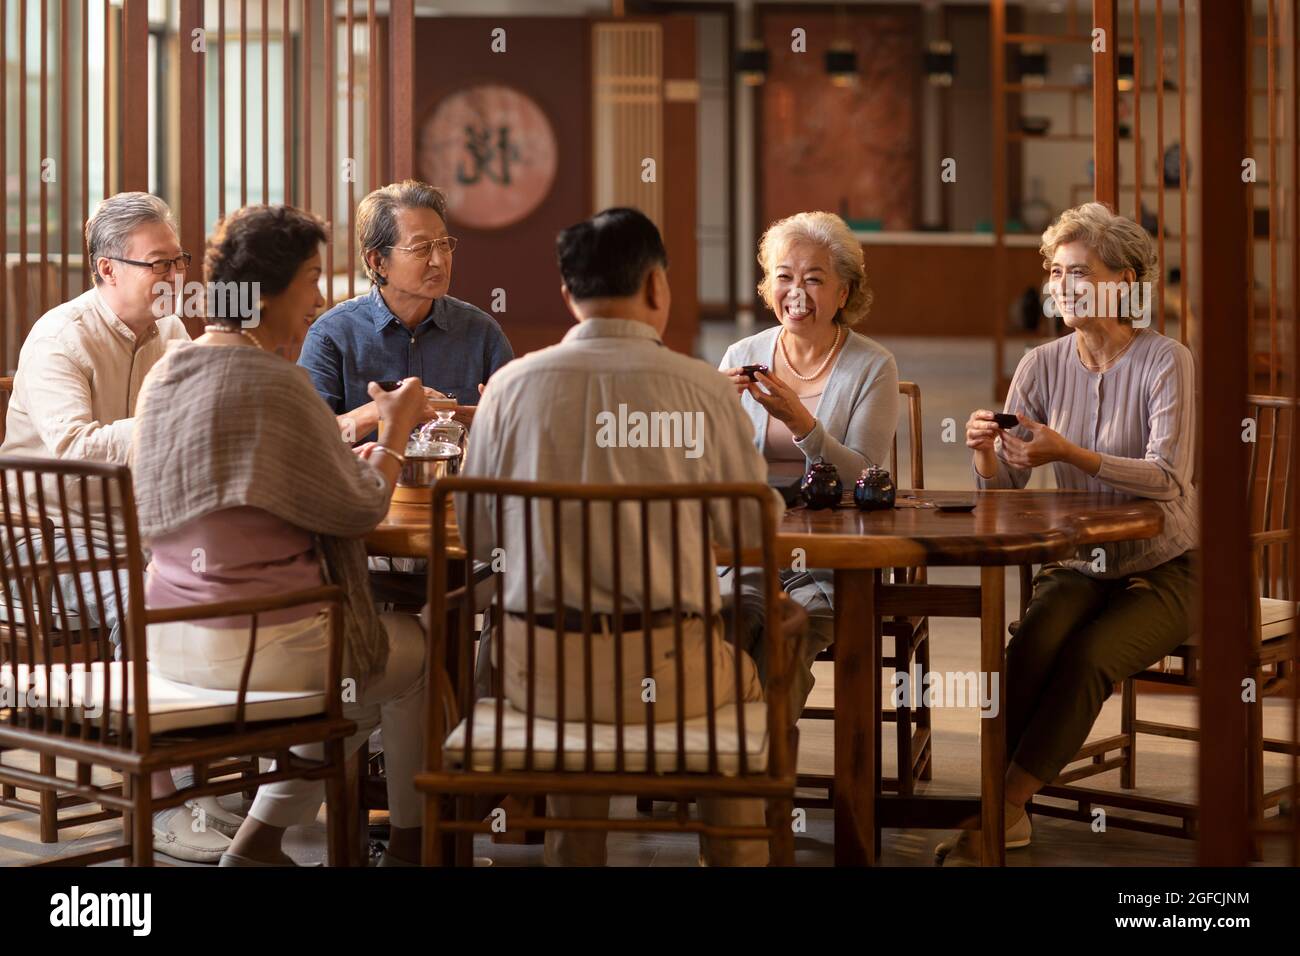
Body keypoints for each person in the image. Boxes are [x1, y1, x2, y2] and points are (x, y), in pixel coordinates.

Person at [458, 207, 804, 866]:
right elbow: (746, 530)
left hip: (537, 676)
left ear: (568, 295)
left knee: (577, 719)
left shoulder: (509, 389)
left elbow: (477, 535)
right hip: (670, 674)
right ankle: (736, 852)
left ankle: (574, 849)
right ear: (656, 287)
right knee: (747, 687)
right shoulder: (700, 389)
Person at [130, 204, 429, 867]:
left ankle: (261, 843)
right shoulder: (279, 382)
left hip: (166, 638)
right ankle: (410, 849)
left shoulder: (165, 375)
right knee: (411, 657)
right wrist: (396, 426)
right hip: (258, 647)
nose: (321, 298)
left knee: (359, 684)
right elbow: (361, 510)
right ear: (268, 292)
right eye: (312, 278)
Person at [947, 202, 1197, 865]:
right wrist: (983, 457)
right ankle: (999, 802)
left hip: (1171, 565)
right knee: (1033, 643)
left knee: (1088, 657)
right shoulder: (1040, 364)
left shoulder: (1166, 360)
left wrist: (1071, 454)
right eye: (1056, 273)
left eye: (1080, 273)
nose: (1062, 287)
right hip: (1081, 561)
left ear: (1126, 281)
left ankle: (1006, 808)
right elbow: (1005, 495)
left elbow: (1168, 479)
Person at [720, 211, 899, 713]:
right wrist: (711, 412)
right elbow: (706, 469)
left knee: (784, 639)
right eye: (784, 277)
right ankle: (724, 764)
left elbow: (864, 476)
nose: (796, 291)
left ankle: (756, 768)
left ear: (844, 293)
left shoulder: (871, 364)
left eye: (814, 279)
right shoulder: (743, 351)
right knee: (725, 623)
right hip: (749, 551)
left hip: (831, 564)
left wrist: (803, 424)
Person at [1, 192, 191, 650]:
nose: (176, 277)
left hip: (140, 528)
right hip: (44, 534)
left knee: (242, 581)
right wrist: (166, 424)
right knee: (146, 605)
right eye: (159, 265)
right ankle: (135, 721)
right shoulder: (60, 339)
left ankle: (215, 717)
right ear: (108, 269)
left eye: (179, 262)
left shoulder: (171, 330)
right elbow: (76, 449)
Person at [297, 179, 513, 444]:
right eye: (421, 248)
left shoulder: (482, 333)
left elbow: (520, 433)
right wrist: (381, 410)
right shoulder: (332, 335)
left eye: (443, 244)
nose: (438, 260)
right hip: (367, 484)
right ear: (377, 261)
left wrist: (491, 423)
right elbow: (306, 440)